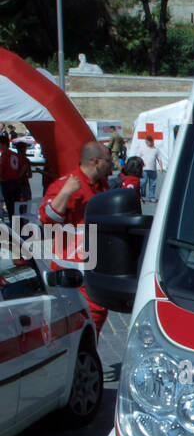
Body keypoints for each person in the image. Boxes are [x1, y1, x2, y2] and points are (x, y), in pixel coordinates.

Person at [39, 140, 113, 336]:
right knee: (78, 322)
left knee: (96, 316)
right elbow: (47, 219)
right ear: (96, 162)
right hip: (71, 273)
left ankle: (85, 358)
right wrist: (66, 192)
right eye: (109, 159)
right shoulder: (66, 184)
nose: (112, 163)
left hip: (96, 267)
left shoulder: (103, 186)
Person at [0, 132, 27, 224]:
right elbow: (23, 167)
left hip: (7, 183)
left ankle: (14, 230)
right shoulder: (14, 154)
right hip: (16, 182)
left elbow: (1, 168)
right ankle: (20, 226)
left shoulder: (4, 154)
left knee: (11, 208)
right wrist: (18, 176)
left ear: (2, 144)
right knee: (16, 207)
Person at [141, 134, 165, 202]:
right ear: (146, 141)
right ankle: (142, 196)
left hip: (153, 169)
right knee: (143, 182)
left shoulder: (156, 150)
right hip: (144, 169)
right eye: (147, 141)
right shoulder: (142, 148)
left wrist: (161, 168)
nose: (149, 143)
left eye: (150, 141)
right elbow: (138, 158)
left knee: (153, 184)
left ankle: (151, 197)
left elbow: (159, 159)